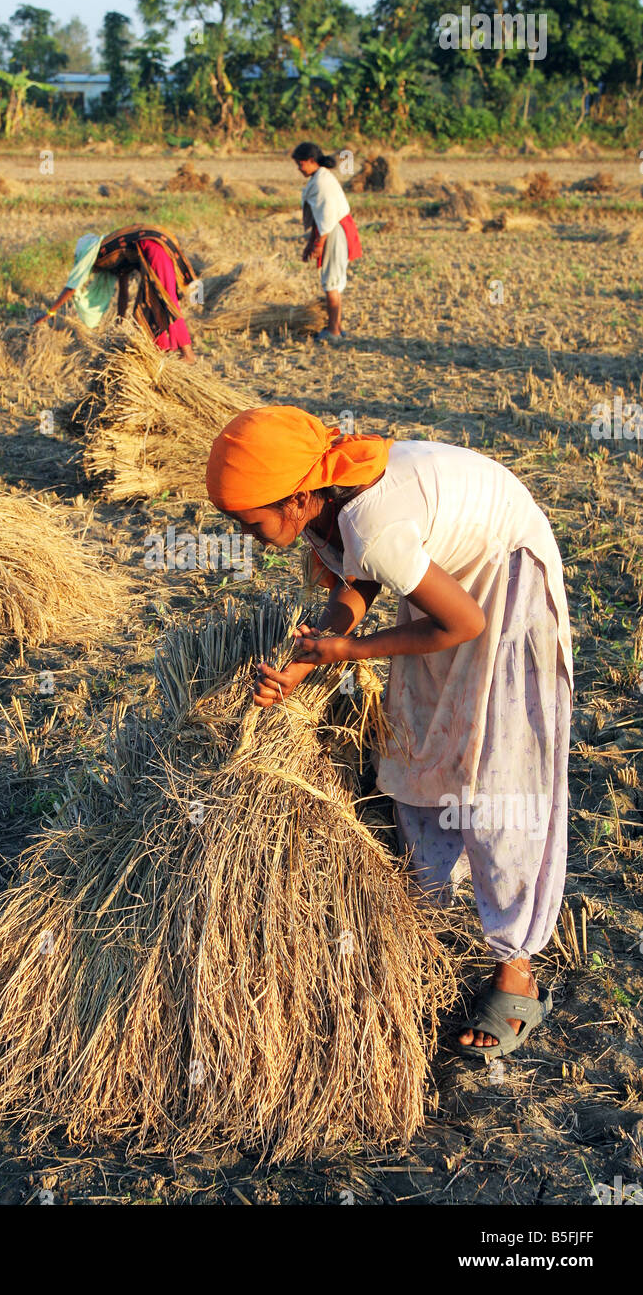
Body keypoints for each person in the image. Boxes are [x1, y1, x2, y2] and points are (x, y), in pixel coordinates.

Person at [205, 404, 573, 1061]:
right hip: (447, 579)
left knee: (499, 772)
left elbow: (461, 623)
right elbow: (355, 584)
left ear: (295, 499)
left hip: (504, 580)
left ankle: (516, 967)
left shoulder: (370, 521)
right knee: (418, 736)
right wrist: (300, 663)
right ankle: (428, 901)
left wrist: (350, 654)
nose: (245, 534)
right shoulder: (329, 501)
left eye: (248, 520)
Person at [35, 224, 198, 361]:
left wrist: (50, 312)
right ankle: (162, 350)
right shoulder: (116, 255)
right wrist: (120, 323)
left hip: (154, 249)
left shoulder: (103, 253)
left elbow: (72, 287)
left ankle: (187, 354)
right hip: (155, 248)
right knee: (149, 303)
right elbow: (123, 293)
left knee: (166, 299)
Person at [292, 141, 361, 346]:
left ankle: (333, 331)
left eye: (301, 164)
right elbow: (319, 217)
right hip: (333, 230)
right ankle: (336, 327)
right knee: (333, 281)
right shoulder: (320, 178)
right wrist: (310, 244)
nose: (299, 169)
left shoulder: (322, 182)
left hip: (334, 232)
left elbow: (327, 218)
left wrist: (319, 244)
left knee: (331, 282)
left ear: (312, 161)